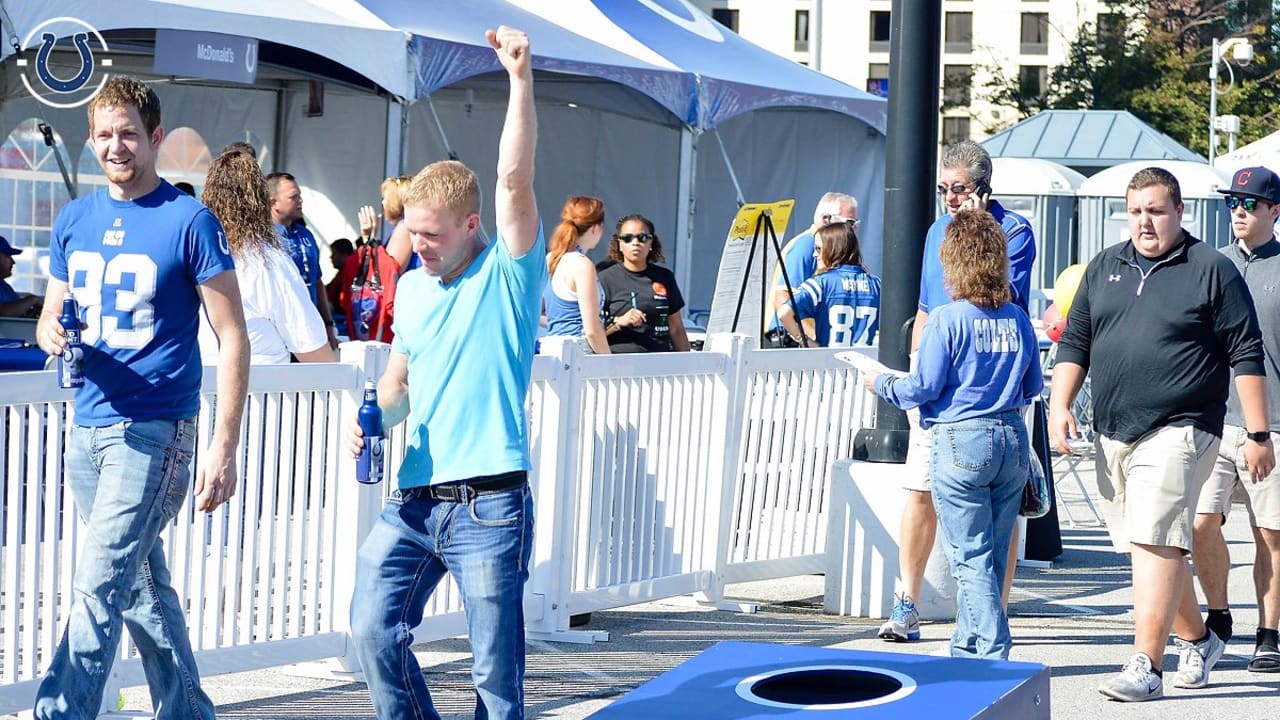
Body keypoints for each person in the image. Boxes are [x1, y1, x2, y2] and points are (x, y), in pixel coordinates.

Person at [31, 75, 249, 720]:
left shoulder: (190, 220)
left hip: (154, 432)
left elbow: (232, 336)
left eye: (128, 132)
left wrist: (224, 445)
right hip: (88, 427)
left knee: (99, 585)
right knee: (142, 592)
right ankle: (188, 713)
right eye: (103, 134)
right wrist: (51, 330)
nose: (115, 146)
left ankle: (59, 712)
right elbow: (52, 316)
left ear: (155, 137)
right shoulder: (74, 219)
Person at [344, 26, 544, 720]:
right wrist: (378, 420)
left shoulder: (509, 272)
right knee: (371, 629)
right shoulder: (419, 290)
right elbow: (398, 386)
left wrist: (519, 78)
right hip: (414, 500)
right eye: (412, 233)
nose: (416, 245)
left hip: (490, 501)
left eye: (430, 234)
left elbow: (516, 178)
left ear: (471, 223)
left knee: (495, 678)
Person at [1049, 166, 1273, 702]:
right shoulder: (1105, 265)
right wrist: (1059, 406)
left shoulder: (1211, 269)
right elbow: (1075, 341)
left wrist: (1259, 434)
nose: (1144, 222)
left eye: (1155, 211)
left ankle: (1146, 664)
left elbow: (1246, 353)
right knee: (1147, 548)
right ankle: (1196, 638)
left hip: (1183, 427)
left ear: (1179, 212)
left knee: (1154, 539)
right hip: (1114, 430)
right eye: (1135, 212)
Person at [864, 209, 1041, 660]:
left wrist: (880, 381)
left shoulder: (946, 319)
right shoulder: (1018, 318)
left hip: (962, 439)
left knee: (969, 557)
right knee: (995, 553)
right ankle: (966, 647)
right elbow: (1032, 386)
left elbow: (921, 387)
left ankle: (992, 652)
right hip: (1011, 437)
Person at [1190, 165, 1280, 673]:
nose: (1238, 211)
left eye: (1249, 203)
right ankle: (1219, 616)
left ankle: (1269, 633)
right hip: (1212, 421)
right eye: (1232, 203)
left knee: (1269, 531)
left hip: (1274, 422)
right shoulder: (1212, 264)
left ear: (1275, 210)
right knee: (1201, 522)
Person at [197, 150, 335, 364]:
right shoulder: (268, 262)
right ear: (261, 202)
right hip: (258, 389)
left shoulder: (191, 253)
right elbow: (312, 348)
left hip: (197, 387)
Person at [765, 192, 858, 347]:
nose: (853, 229)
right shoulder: (807, 246)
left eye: (855, 223)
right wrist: (813, 338)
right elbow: (783, 298)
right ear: (826, 218)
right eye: (849, 223)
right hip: (787, 343)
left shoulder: (815, 245)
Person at [776, 220, 881, 347]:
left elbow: (784, 313)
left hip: (829, 363)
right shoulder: (877, 285)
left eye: (819, 249)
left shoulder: (820, 284)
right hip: (866, 364)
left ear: (834, 248)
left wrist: (807, 342)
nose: (815, 254)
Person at [266, 170, 339, 349]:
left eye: (300, 195)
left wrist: (328, 326)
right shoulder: (263, 239)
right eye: (293, 196)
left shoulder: (306, 235)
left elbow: (317, 281)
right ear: (273, 203)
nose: (300, 201)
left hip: (310, 333)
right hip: (279, 336)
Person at [597, 215, 691, 353]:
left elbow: (676, 328)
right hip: (619, 363)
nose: (635, 243)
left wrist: (687, 365)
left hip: (659, 362)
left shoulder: (664, 277)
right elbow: (591, 331)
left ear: (651, 243)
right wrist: (619, 322)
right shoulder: (604, 278)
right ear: (620, 245)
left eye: (642, 238)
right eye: (628, 238)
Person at [544, 195, 610, 354]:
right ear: (596, 228)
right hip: (579, 354)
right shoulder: (582, 265)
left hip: (552, 349)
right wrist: (610, 363)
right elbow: (592, 330)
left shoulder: (551, 258)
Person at [0, 235, 42, 318]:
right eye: (7, 256)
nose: (13, 261)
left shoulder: (4, 287)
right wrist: (32, 300)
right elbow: (2, 312)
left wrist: (29, 312)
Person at [325, 237, 356, 310]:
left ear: (344, 255)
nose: (331, 257)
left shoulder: (346, 274)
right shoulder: (342, 272)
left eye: (334, 253)